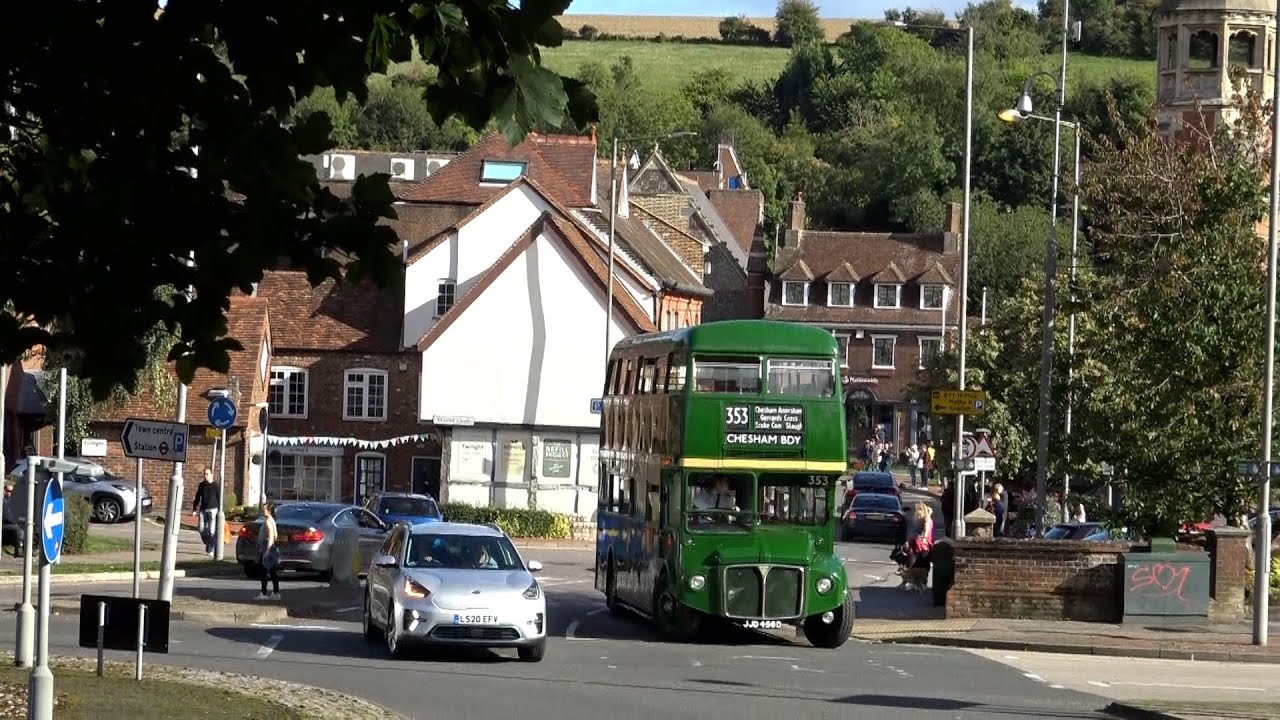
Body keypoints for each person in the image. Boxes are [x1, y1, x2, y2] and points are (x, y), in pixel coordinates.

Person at [255, 502, 281, 600]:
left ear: (269, 510)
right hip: (270, 547)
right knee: (272, 571)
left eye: (265, 509)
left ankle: (264, 593)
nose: (263, 510)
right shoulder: (271, 520)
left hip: (267, 547)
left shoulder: (268, 521)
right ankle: (275, 592)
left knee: (264, 571)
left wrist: (267, 550)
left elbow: (271, 536)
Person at [191, 468, 219, 555]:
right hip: (203, 509)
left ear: (211, 475)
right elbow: (197, 497)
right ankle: (210, 543)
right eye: (204, 474)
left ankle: (211, 548)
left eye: (207, 474)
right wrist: (194, 509)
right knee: (201, 529)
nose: (205, 476)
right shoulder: (202, 485)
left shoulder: (215, 485)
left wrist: (220, 511)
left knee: (211, 530)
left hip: (213, 509)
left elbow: (219, 498)